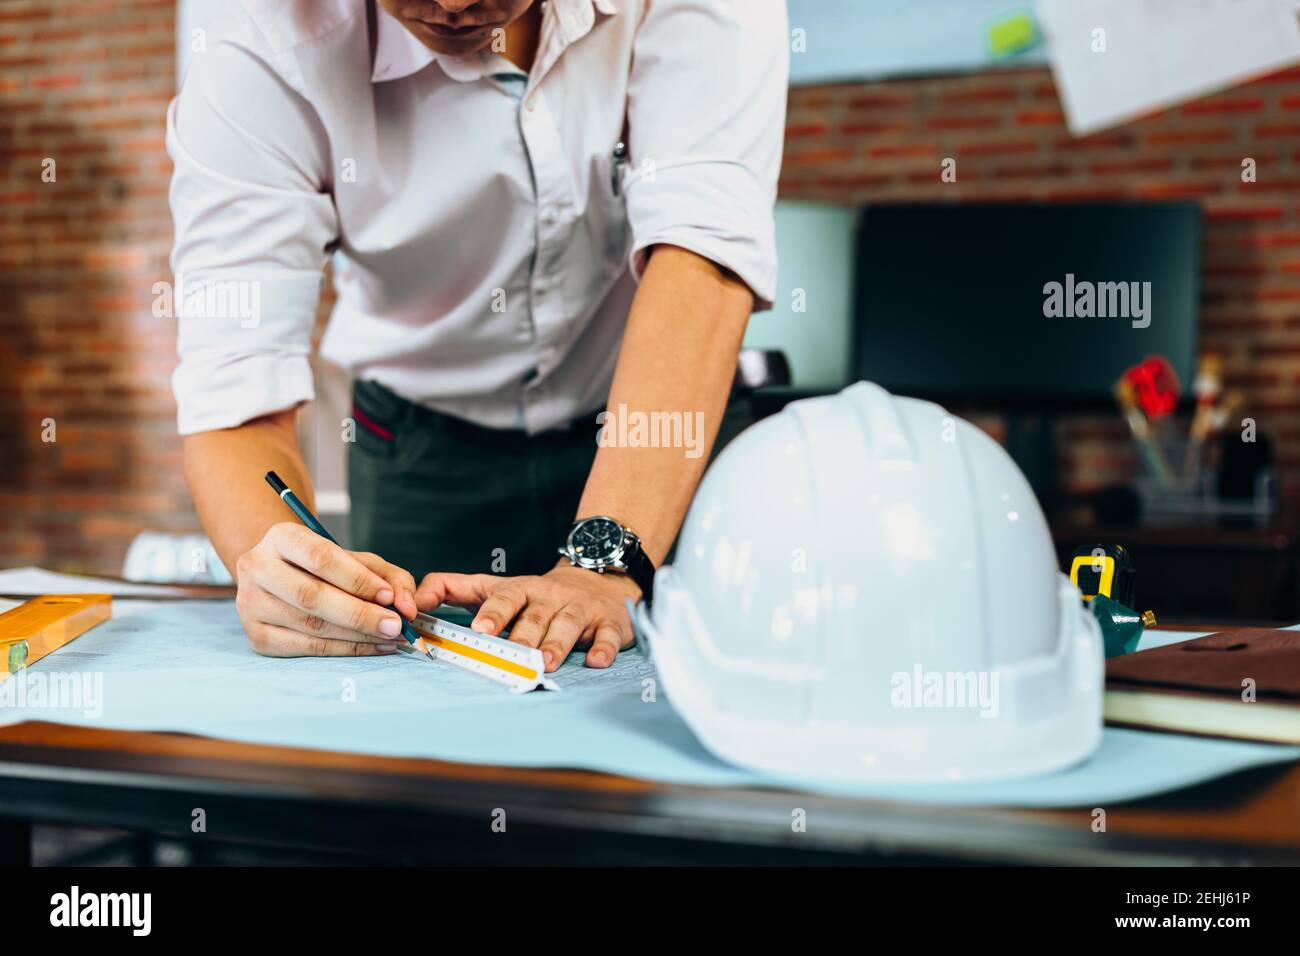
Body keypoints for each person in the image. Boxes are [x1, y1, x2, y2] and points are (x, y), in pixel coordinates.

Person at [168, 0, 788, 671]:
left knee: (713, 686)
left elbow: (699, 255)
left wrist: (604, 561)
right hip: (423, 448)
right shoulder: (256, 47)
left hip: (660, 422)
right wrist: (282, 567)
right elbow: (236, 384)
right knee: (411, 712)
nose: (454, 2)